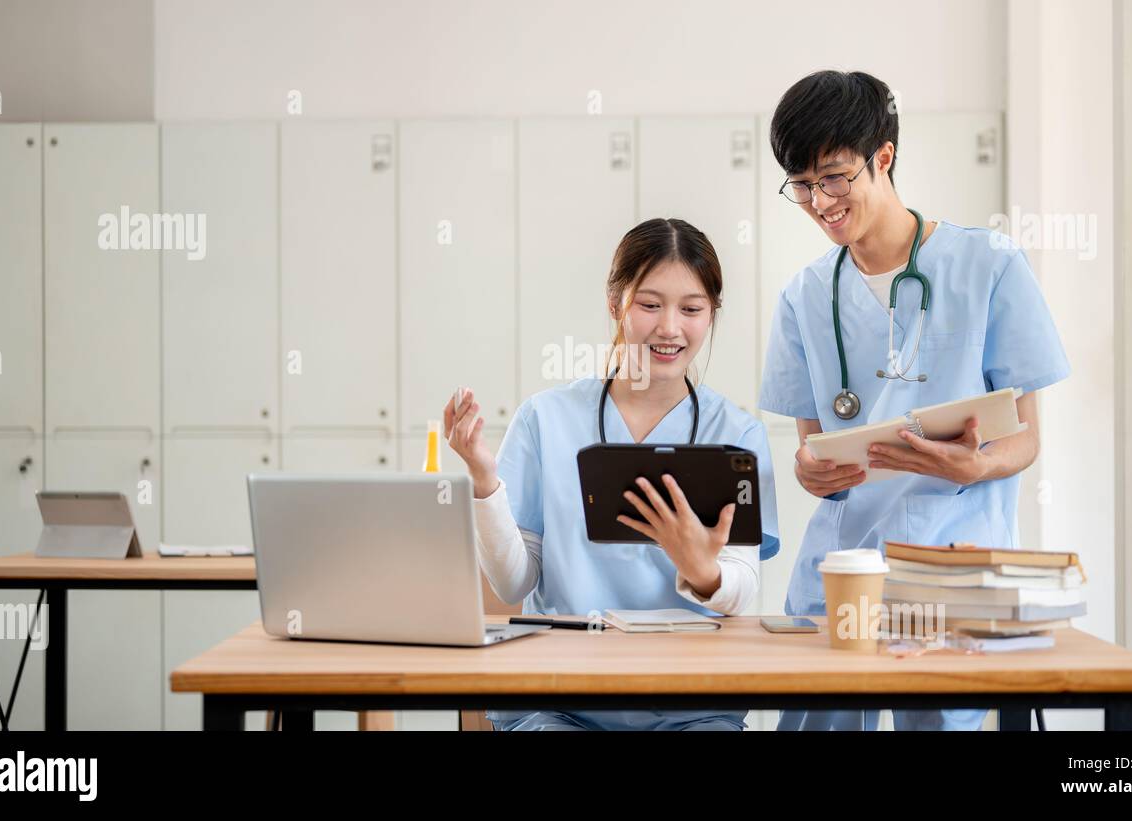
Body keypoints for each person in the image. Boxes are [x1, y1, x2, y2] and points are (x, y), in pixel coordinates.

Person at [760, 70, 1070, 731]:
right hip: (840, 578)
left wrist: (976, 465)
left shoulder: (989, 265)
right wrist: (810, 469)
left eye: (834, 176)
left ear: (884, 157)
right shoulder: (804, 296)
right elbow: (811, 451)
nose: (820, 200)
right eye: (803, 185)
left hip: (949, 571)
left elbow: (1025, 439)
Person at [444, 217, 780, 731]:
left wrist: (703, 571)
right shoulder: (545, 418)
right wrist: (485, 483)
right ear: (615, 305)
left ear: (711, 314)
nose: (670, 328)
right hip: (559, 697)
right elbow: (515, 580)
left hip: (690, 705)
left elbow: (741, 590)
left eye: (691, 309)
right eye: (649, 305)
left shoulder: (738, 436)